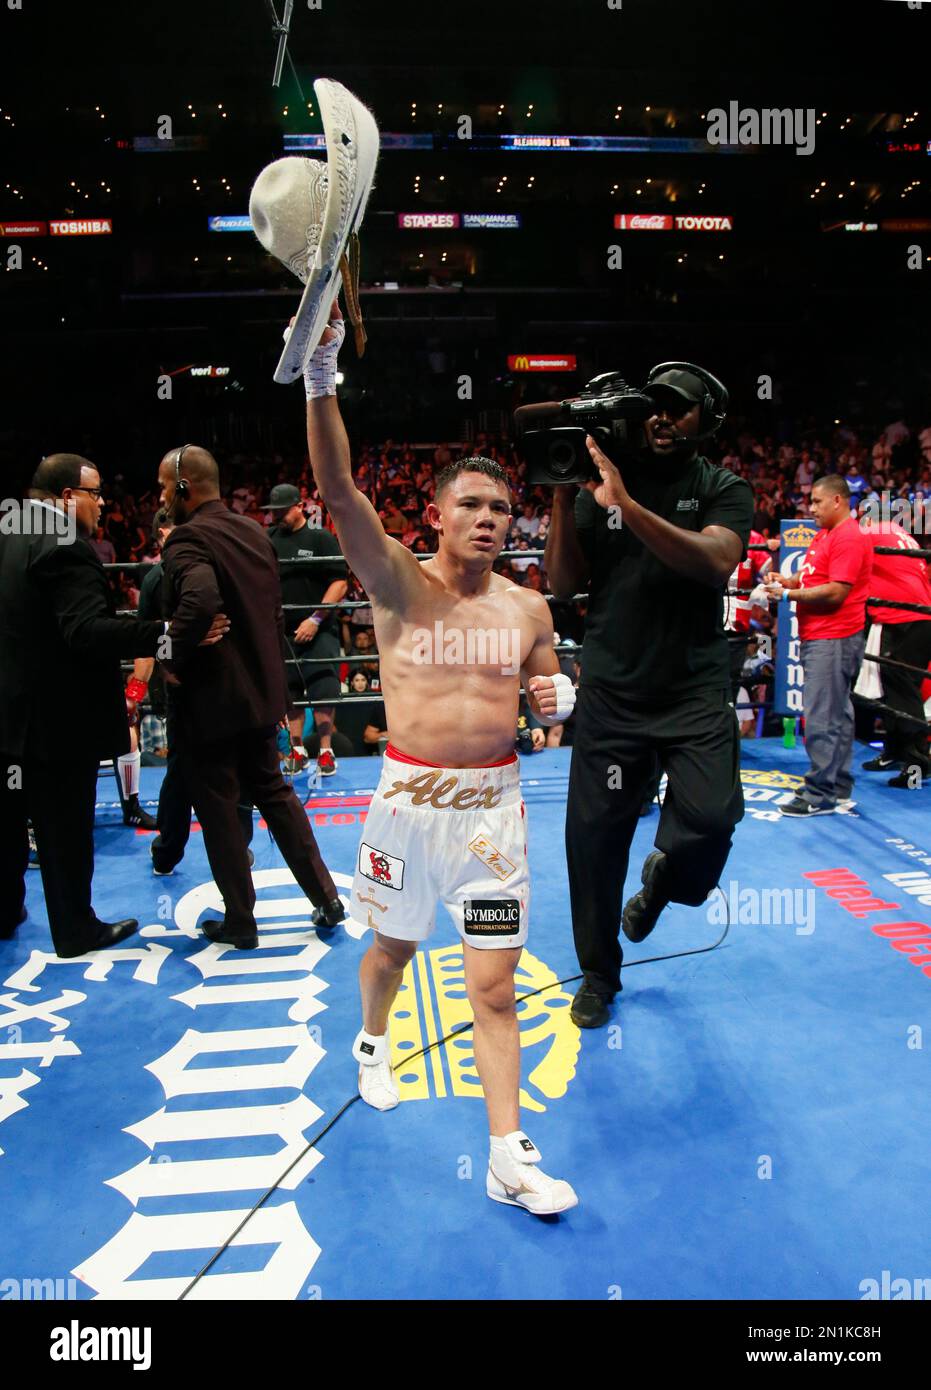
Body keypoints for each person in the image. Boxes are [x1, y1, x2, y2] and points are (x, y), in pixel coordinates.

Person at [301, 304, 578, 1215]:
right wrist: (320, 378)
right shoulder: (395, 581)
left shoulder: (528, 609)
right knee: (392, 947)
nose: (491, 518)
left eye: (503, 507)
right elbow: (338, 491)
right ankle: (372, 1040)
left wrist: (555, 701)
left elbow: (545, 695)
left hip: (494, 813)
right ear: (437, 513)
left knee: (492, 989)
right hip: (405, 804)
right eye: (473, 504)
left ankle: (505, 1155)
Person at [545, 363, 753, 1029]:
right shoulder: (599, 484)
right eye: (653, 405)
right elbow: (560, 585)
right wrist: (559, 496)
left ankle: (663, 884)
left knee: (713, 819)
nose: (661, 417)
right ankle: (599, 976)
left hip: (692, 691)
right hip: (613, 696)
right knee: (594, 841)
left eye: (679, 408)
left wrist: (626, 509)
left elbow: (714, 560)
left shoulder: (721, 488)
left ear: (707, 420)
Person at [0, 454, 225, 956]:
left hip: (8, 711)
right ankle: (75, 927)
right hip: (56, 718)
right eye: (94, 493)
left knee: (9, 818)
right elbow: (85, 631)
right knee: (64, 827)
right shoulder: (65, 546)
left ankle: (5, 908)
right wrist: (167, 634)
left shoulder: (8, 532)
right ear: (65, 498)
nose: (102, 503)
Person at [156, 444, 344, 947]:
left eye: (162, 487)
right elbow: (272, 615)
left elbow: (199, 601)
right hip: (261, 694)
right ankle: (326, 898)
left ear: (182, 487)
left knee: (219, 807)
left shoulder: (186, 540)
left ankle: (241, 920)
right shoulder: (253, 533)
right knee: (276, 796)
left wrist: (170, 657)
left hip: (212, 702)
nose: (159, 497)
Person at [128, 509, 255, 873]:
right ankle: (169, 850)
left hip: (222, 685)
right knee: (182, 772)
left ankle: (234, 848)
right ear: (162, 537)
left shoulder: (219, 569)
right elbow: (149, 639)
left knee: (228, 768)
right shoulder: (157, 580)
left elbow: (243, 628)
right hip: (187, 687)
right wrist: (158, 674)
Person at [765, 475, 872, 816]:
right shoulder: (826, 535)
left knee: (823, 715)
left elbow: (836, 591)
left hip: (834, 636)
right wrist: (788, 579)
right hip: (825, 636)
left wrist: (787, 594)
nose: (811, 509)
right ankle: (836, 784)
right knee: (837, 712)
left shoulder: (848, 537)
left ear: (838, 501)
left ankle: (820, 792)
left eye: (817, 502)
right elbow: (812, 574)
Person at [266, 483, 348, 776]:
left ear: (299, 506)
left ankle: (326, 750)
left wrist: (315, 619)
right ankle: (297, 750)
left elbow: (340, 581)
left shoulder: (320, 538)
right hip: (283, 630)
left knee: (324, 688)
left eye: (282, 511)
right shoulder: (269, 539)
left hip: (320, 627)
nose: (277, 517)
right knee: (290, 692)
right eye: (273, 512)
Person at [857, 513, 931, 788]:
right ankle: (895, 752)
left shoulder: (870, 532)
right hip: (916, 616)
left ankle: (917, 763)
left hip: (902, 618)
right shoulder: (904, 536)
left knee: (900, 689)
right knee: (895, 686)